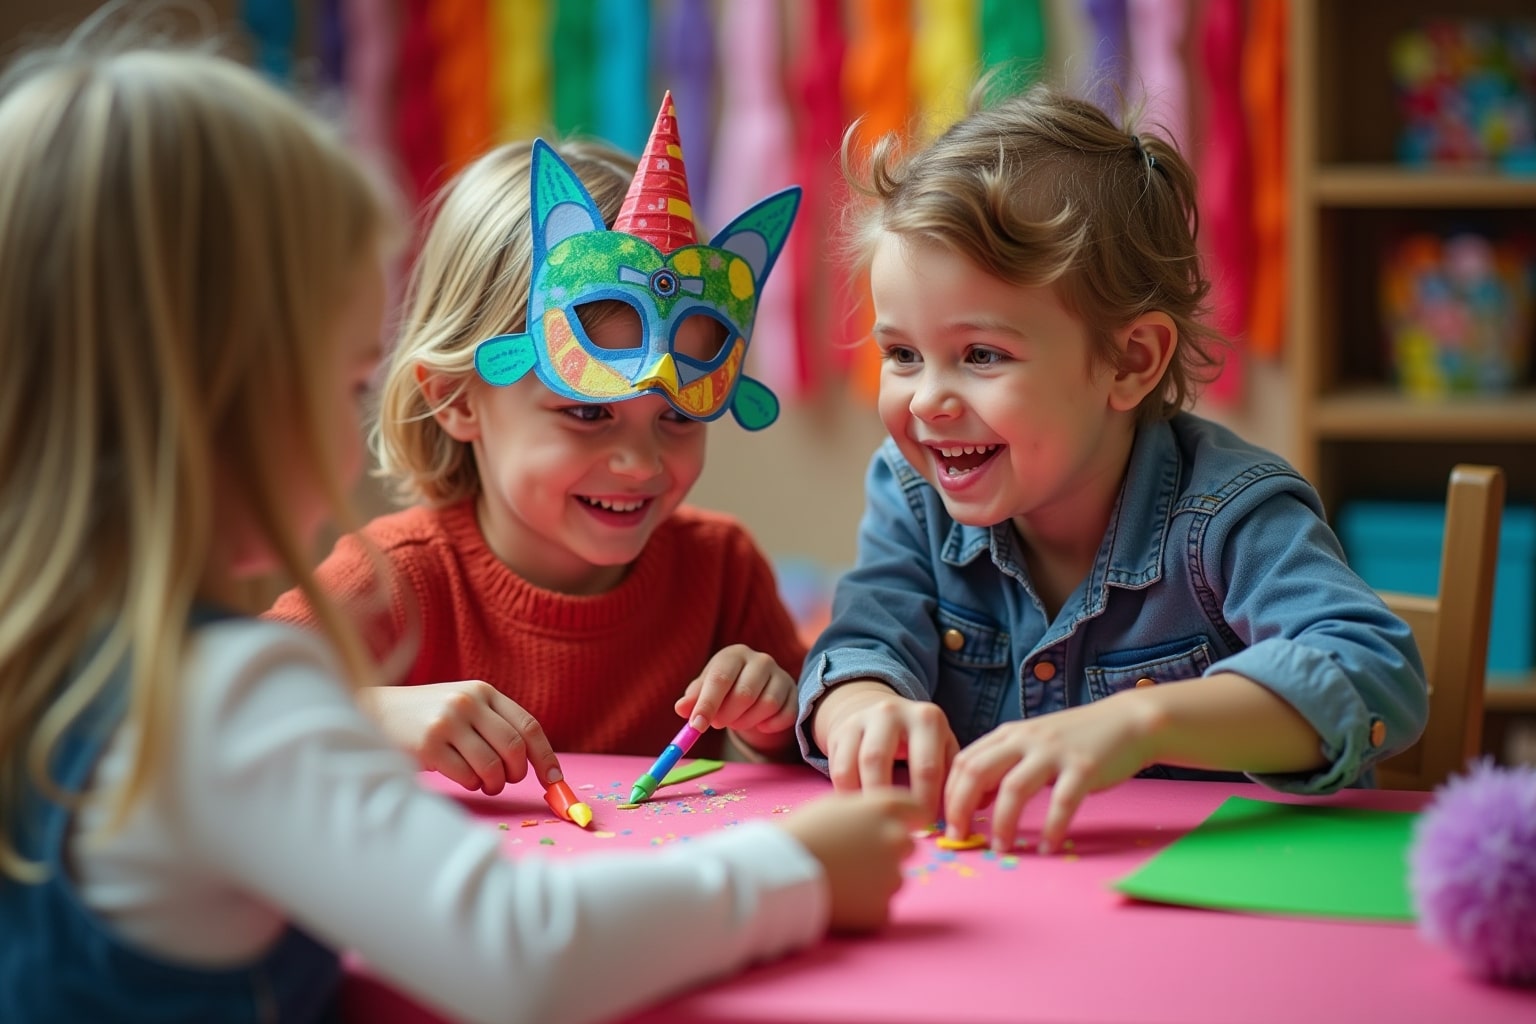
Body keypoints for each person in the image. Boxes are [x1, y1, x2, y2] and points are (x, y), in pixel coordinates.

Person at [0, 33, 921, 1024]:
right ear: (223, 398)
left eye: (679, 417)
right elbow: (520, 954)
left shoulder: (57, 656)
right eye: (351, 377)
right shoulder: (231, 697)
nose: (640, 459)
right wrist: (799, 873)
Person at [797, 82, 1429, 856]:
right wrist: (861, 707)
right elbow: (863, 643)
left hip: (1215, 915)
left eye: (981, 355)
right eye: (902, 354)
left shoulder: (1227, 512)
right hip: (1012, 921)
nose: (927, 401)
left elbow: (1376, 675)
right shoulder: (909, 488)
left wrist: (1141, 722)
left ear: (1130, 361)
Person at [268, 96, 812, 795]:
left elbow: (808, 761)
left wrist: (773, 723)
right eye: (588, 413)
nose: (641, 463)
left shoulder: (723, 573)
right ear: (457, 399)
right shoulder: (392, 583)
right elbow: (196, 707)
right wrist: (372, 714)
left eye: (676, 417)